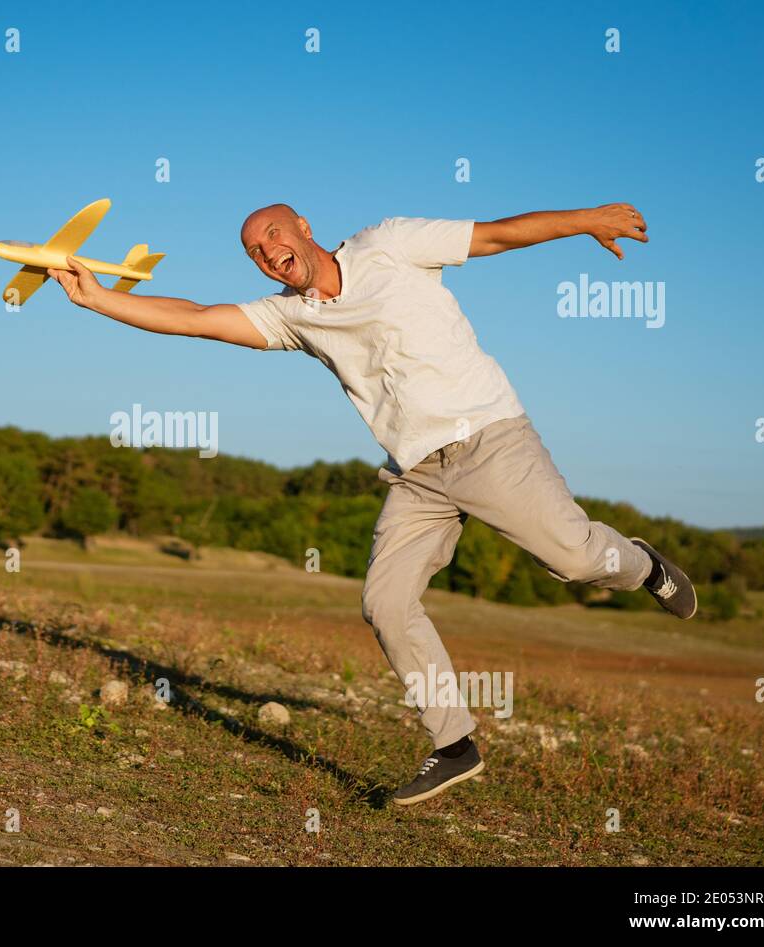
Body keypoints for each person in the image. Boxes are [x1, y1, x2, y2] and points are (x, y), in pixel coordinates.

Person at [47, 201, 696, 806]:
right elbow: (195, 317)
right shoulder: (291, 315)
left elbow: (496, 235)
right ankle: (455, 743)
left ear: (302, 226)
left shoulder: (389, 247)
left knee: (580, 560)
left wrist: (586, 220)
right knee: (384, 604)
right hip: (415, 473)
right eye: (253, 251)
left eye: (273, 234)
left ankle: (646, 567)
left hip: (489, 439)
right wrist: (100, 300)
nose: (267, 252)